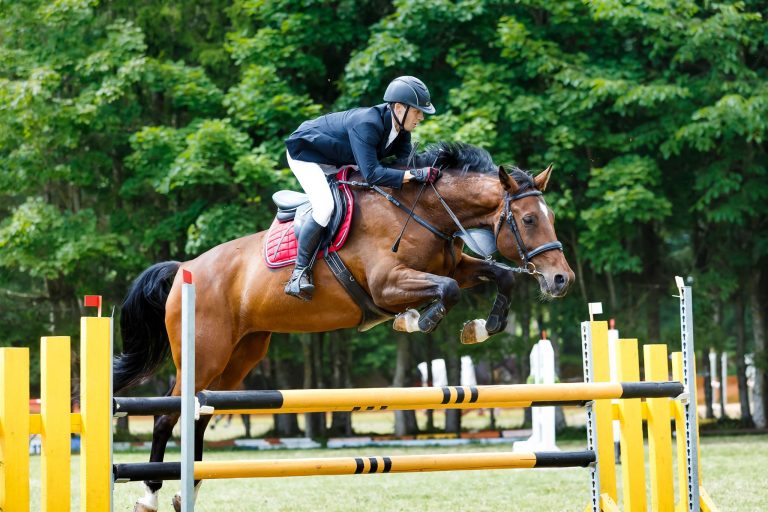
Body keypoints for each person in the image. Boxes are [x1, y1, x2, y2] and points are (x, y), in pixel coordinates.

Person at [283, 76, 442, 300]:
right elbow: (373, 174)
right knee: (325, 207)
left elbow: (408, 165)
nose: (421, 117)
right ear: (399, 108)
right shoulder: (368, 124)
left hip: (339, 156)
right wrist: (414, 175)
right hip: (307, 154)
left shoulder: (401, 130)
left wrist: (433, 172)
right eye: (417, 111)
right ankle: (299, 273)